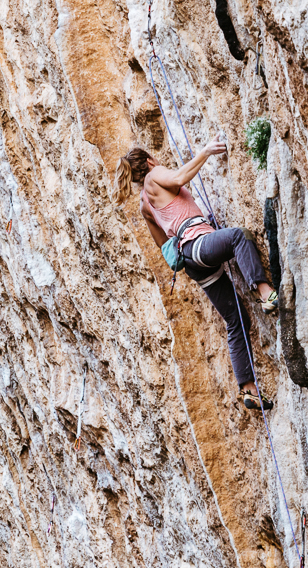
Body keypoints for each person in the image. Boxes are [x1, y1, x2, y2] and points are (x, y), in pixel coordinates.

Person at [113, 139, 277, 410]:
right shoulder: (155, 176)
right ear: (150, 162)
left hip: (191, 263)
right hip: (197, 244)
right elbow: (178, 177)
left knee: (236, 320)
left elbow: (162, 244)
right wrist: (205, 152)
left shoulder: (145, 204)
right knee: (238, 237)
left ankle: (248, 389)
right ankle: (265, 293)